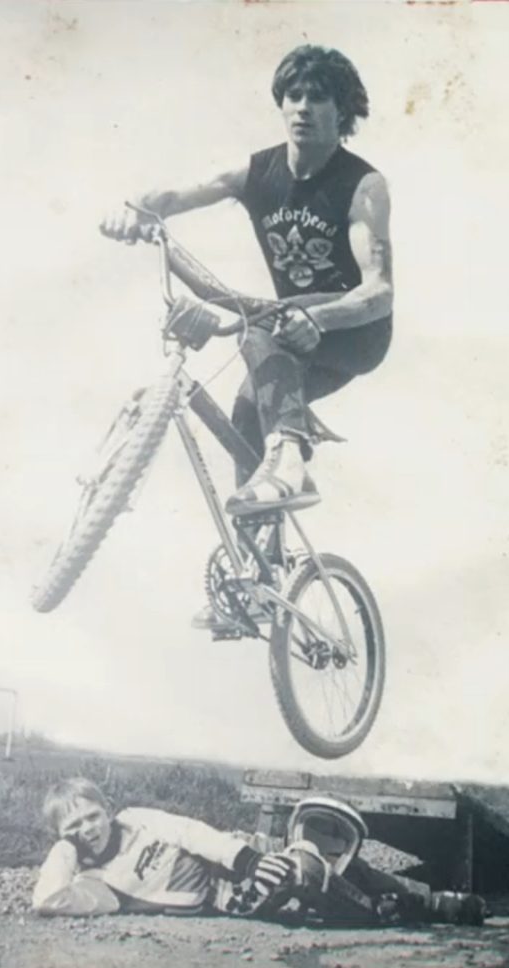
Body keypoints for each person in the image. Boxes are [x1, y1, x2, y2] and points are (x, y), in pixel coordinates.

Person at [101, 44, 392, 628]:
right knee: (243, 417)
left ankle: (291, 459)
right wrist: (134, 210)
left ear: (344, 113)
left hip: (352, 331)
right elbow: (176, 195)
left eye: (319, 98)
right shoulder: (258, 172)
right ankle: (260, 579)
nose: (304, 107)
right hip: (289, 325)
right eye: (294, 96)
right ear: (281, 106)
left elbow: (379, 290)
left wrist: (321, 319)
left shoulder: (361, 185)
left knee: (265, 326)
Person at [31, 777, 486, 927]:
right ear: (63, 837)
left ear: (106, 810)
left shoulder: (136, 816)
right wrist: (63, 851)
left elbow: (190, 832)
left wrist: (248, 858)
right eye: (73, 827)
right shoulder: (97, 884)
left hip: (239, 853)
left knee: (328, 856)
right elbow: (48, 900)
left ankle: (431, 901)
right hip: (228, 895)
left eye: (91, 815)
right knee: (302, 869)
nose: (87, 828)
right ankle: (375, 913)